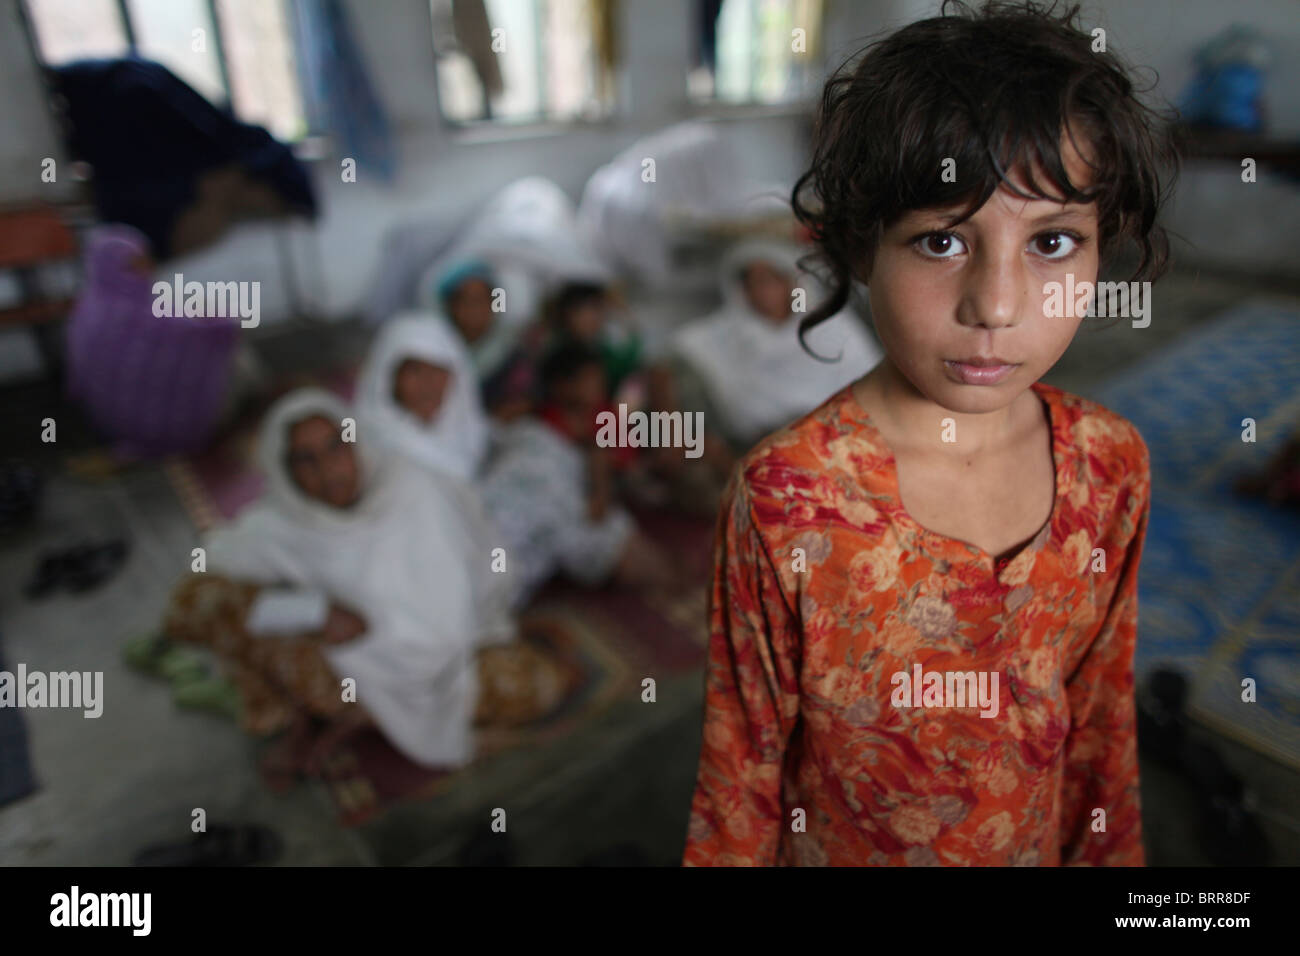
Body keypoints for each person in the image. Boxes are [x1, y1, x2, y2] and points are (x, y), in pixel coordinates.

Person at [684, 0, 1177, 866]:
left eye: (1054, 242)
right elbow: (742, 776)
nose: (996, 305)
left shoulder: (1111, 465)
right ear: (858, 248)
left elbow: (1100, 724)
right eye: (943, 241)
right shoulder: (788, 501)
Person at [162, 389, 564, 785]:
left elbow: (479, 568)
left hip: (446, 661)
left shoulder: (411, 486)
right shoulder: (277, 526)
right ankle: (304, 721)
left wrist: (439, 639)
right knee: (227, 606)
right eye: (306, 460)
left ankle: (364, 719)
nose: (327, 469)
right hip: (341, 670)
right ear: (285, 471)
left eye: (336, 448)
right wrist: (314, 610)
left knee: (540, 687)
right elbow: (187, 605)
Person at [480, 344, 672, 610]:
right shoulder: (533, 423)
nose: (597, 386)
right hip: (509, 502)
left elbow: (625, 474)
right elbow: (597, 512)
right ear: (561, 386)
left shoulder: (602, 426)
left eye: (598, 378)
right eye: (588, 379)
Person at [671, 238, 882, 448]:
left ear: (790, 283)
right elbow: (676, 352)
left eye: (769, 280)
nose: (761, 291)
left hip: (834, 434)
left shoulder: (828, 325)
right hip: (762, 442)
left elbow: (867, 381)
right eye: (751, 284)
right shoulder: (729, 332)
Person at [64, 224, 240, 459]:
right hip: (172, 431)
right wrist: (214, 318)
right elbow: (218, 331)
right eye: (136, 263)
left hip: (109, 426)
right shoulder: (149, 316)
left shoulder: (88, 309)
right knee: (237, 363)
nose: (147, 268)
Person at [356, 313, 490, 481]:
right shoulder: (364, 448)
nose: (428, 383)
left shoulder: (476, 439)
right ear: (389, 377)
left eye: (438, 370)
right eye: (415, 370)